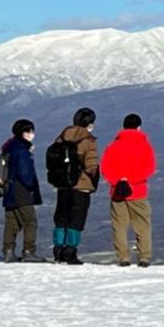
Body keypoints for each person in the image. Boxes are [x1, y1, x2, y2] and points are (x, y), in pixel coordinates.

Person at [47, 107, 101, 265]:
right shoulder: (88, 140)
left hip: (63, 184)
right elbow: (91, 165)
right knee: (76, 220)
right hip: (81, 185)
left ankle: (58, 250)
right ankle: (70, 252)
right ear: (89, 123)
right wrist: (94, 181)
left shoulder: (62, 137)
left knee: (61, 218)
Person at [103, 113, 157, 269]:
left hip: (118, 192)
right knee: (143, 226)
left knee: (119, 226)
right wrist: (133, 180)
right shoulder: (144, 145)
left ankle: (123, 258)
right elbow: (150, 168)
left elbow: (106, 168)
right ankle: (144, 257)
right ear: (139, 127)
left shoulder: (113, 146)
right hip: (138, 191)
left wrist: (119, 181)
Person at [0, 119, 43, 262]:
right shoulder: (22, 150)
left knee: (11, 221)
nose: (32, 134)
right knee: (30, 221)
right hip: (21, 190)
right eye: (30, 131)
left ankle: (8, 250)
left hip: (9, 190)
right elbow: (25, 173)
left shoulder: (10, 147)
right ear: (24, 133)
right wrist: (31, 186)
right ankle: (29, 250)